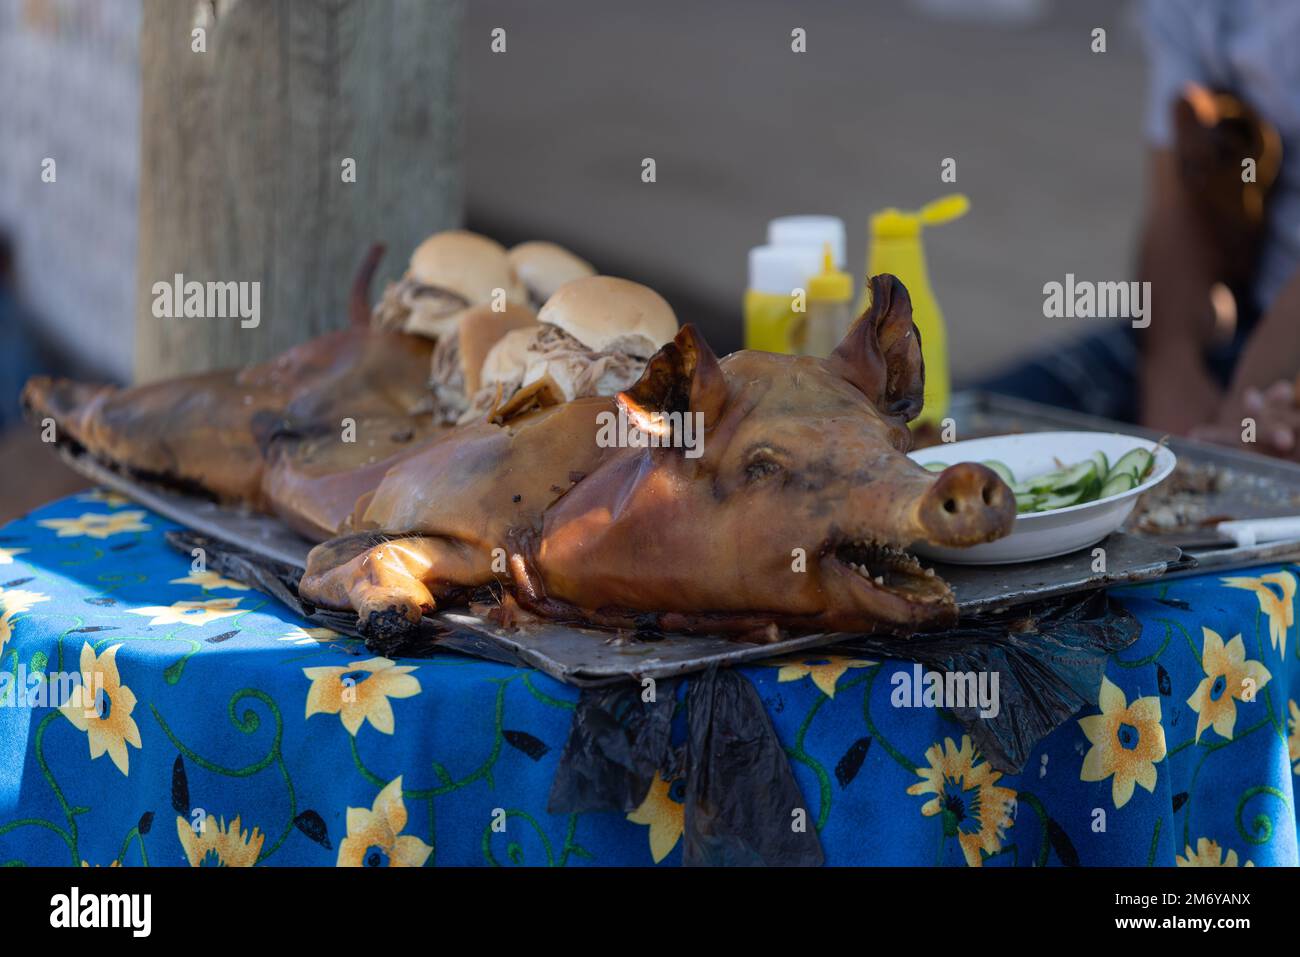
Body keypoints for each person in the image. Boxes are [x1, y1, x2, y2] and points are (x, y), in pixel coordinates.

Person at [981, 0, 1300, 461]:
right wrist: (1173, 371)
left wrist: (1245, 411)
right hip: (1248, 318)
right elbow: (1175, 196)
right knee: (948, 436)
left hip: (1276, 362)